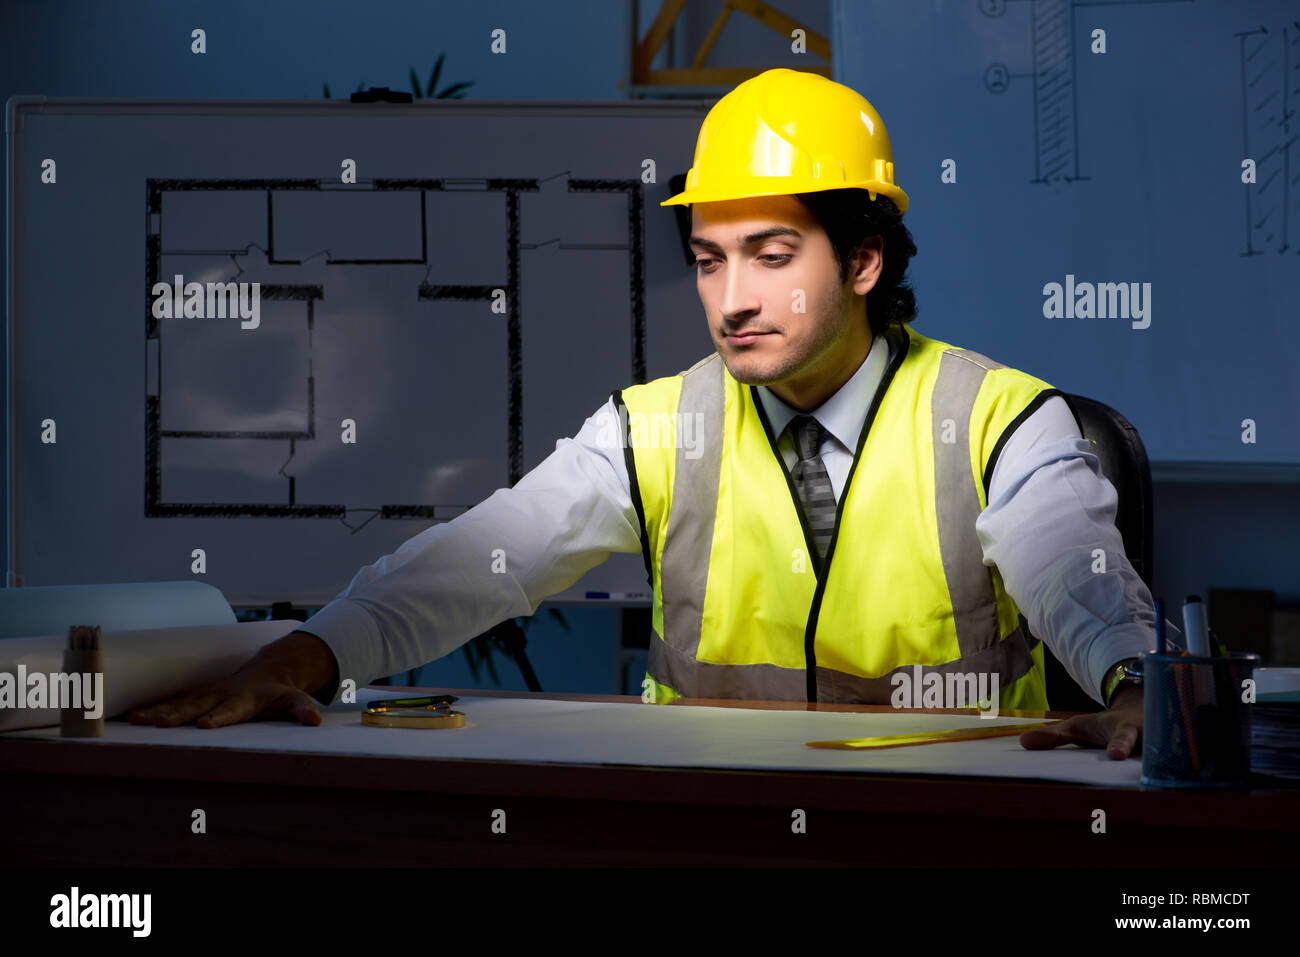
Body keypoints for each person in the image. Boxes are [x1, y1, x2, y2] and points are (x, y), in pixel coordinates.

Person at [131, 68, 1160, 759]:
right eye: (709, 261)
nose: (731, 299)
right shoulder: (657, 427)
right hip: (697, 830)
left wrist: (1133, 681)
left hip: (947, 838)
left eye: (771, 254)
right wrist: (301, 655)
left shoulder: (998, 419)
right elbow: (480, 559)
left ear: (860, 261)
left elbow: (1076, 578)